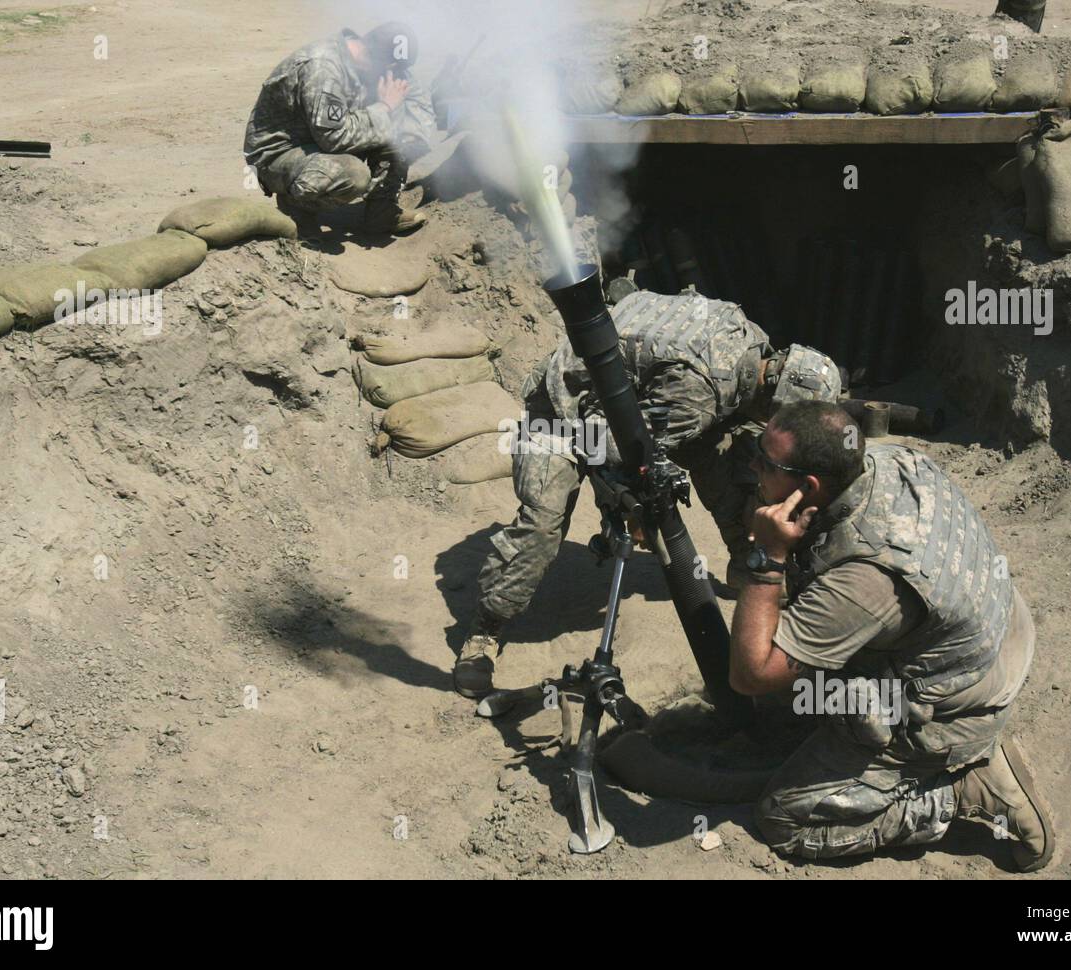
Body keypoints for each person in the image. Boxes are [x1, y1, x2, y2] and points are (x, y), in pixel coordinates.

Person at [454, 287, 842, 698]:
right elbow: (615, 446)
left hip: (640, 395)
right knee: (541, 523)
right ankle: (487, 626)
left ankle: (750, 565)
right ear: (774, 397)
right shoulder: (697, 394)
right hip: (565, 406)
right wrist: (631, 506)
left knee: (742, 458)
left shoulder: (754, 348)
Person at [729, 401, 1054, 871]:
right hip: (998, 630)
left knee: (784, 819)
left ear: (809, 487)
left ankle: (962, 790)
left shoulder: (866, 578)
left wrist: (769, 555)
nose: (753, 465)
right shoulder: (887, 458)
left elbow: (751, 674)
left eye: (767, 462)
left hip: (959, 701)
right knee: (803, 690)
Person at [243, 22, 435, 237]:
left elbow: (415, 103)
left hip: (319, 141)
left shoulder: (372, 66)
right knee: (353, 174)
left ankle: (381, 213)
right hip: (278, 154)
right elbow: (333, 138)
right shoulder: (323, 67)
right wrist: (385, 108)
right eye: (397, 70)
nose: (399, 76)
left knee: (399, 140)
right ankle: (297, 208)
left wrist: (411, 138)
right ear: (387, 63)